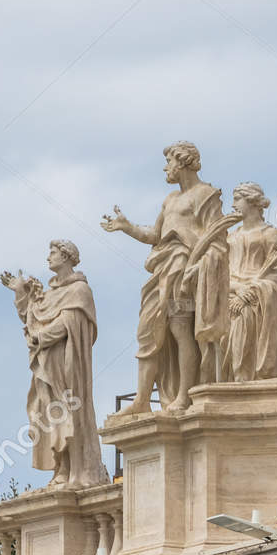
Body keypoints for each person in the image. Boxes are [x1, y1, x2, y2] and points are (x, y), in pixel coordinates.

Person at [101, 141, 231, 413]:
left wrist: (199, 267)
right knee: (148, 332)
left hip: (184, 270)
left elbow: (217, 239)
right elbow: (155, 236)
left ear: (182, 161)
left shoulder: (206, 195)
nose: (165, 167)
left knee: (180, 329)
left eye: (169, 161)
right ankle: (142, 399)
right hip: (161, 269)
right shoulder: (170, 200)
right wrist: (127, 228)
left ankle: (185, 396)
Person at [0, 240, 107, 487]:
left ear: (67, 256)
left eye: (53, 253)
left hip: (66, 362)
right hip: (45, 361)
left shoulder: (80, 290)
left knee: (66, 411)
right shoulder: (51, 294)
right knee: (48, 413)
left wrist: (41, 337)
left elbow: (70, 321)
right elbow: (33, 317)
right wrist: (20, 292)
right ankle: (61, 466)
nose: (48, 257)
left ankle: (74, 468)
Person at [223, 183, 277, 382]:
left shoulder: (271, 235)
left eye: (237, 199)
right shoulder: (230, 237)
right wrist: (237, 289)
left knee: (242, 323)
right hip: (229, 292)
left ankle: (242, 381)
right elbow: (220, 274)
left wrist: (250, 292)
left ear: (251, 201)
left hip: (256, 300)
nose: (233, 204)